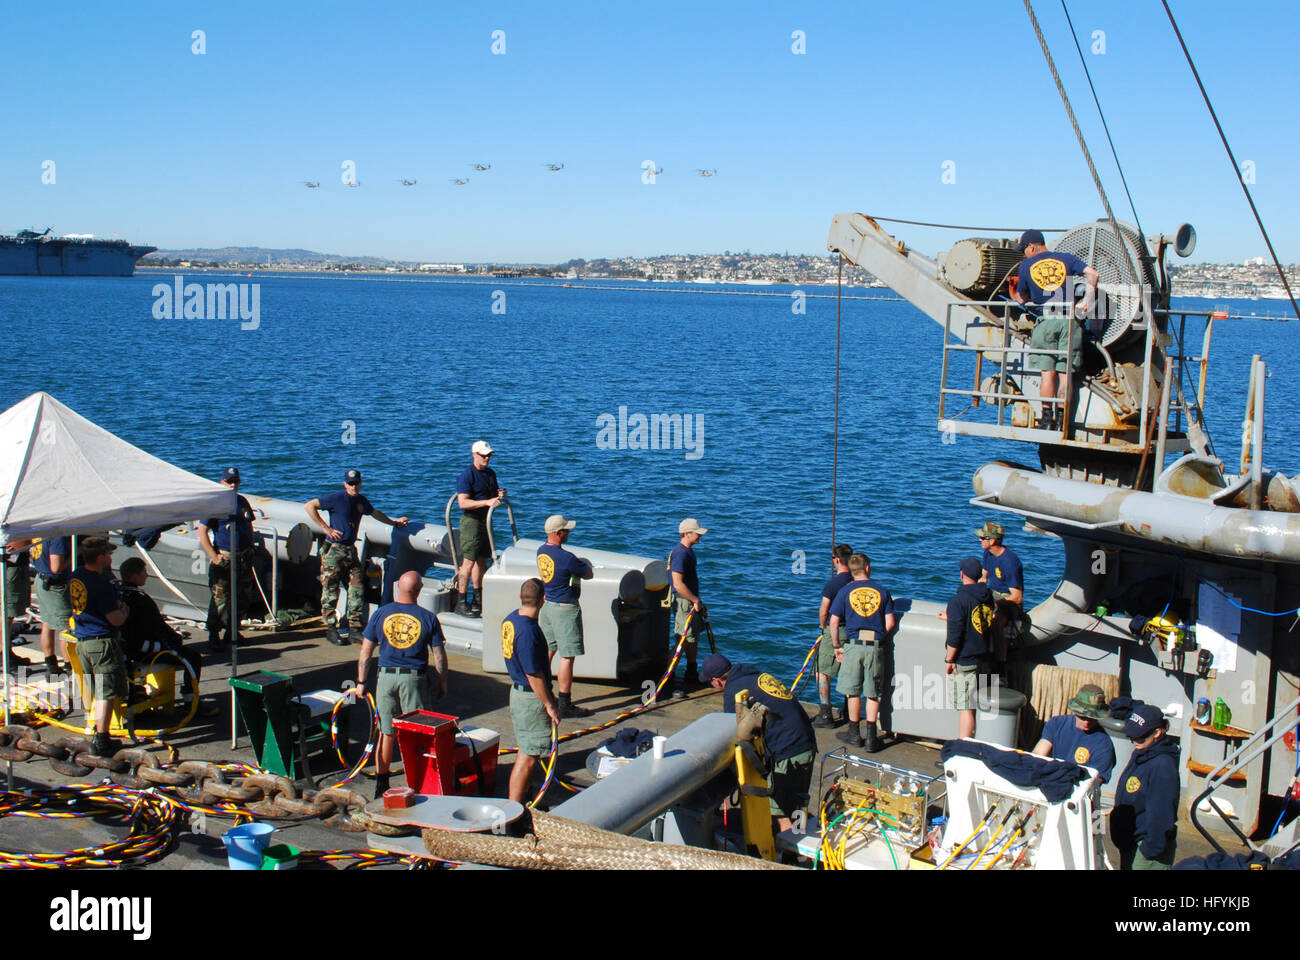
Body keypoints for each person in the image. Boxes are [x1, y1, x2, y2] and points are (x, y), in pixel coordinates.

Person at [355, 571, 448, 798]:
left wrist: (360, 682)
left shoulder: (380, 614)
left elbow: (365, 654)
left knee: (387, 733)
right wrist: (442, 680)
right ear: (418, 591)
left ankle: (381, 784)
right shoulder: (428, 618)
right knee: (417, 733)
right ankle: (417, 782)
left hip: (385, 677)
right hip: (413, 679)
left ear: (399, 589)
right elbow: (439, 657)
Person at [701, 653, 817, 834]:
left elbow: (737, 733)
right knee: (797, 803)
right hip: (805, 740)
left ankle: (780, 856)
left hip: (788, 750)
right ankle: (794, 851)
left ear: (717, 681)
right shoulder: (752, 675)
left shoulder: (734, 692)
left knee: (779, 814)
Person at [305, 469, 408, 646]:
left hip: (350, 550)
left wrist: (394, 522)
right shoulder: (336, 498)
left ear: (360, 483)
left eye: (356, 483)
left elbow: (375, 513)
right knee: (330, 590)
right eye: (350, 484)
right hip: (334, 551)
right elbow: (309, 506)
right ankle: (331, 628)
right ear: (345, 484)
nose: (354, 486)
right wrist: (326, 528)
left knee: (357, 589)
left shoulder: (361, 501)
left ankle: (355, 630)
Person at [1010, 229, 1100, 431]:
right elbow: (1093, 274)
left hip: (1047, 320)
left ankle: (1046, 419)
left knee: (1047, 373)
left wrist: (1016, 295)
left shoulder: (1026, 265)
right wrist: (1087, 300)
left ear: (1031, 247)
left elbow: (1022, 298)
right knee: (1065, 374)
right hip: (1070, 320)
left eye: (1024, 249)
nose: (1024, 254)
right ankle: (1061, 419)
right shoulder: (1065, 259)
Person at [116, 556, 216, 717]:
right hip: (143, 652)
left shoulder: (117, 595)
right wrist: (175, 639)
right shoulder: (140, 599)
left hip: (125, 652)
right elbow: (157, 626)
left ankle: (138, 692)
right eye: (144, 571)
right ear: (135, 575)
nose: (146, 575)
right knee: (193, 658)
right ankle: (191, 703)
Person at [67, 537, 130, 757]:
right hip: (102, 642)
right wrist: (123, 612)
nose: (111, 557)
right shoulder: (100, 584)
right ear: (101, 556)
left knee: (96, 689)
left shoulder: (76, 576)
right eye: (109, 554)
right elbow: (115, 620)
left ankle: (97, 730)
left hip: (83, 641)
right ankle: (102, 738)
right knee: (107, 692)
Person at [828, 553, 896, 752]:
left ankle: (854, 733)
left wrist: (836, 646)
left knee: (853, 691)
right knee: (873, 693)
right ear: (867, 568)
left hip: (852, 645)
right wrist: (879, 636)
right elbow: (890, 623)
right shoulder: (882, 591)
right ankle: (871, 738)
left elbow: (833, 622)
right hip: (874, 645)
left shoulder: (844, 591)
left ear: (851, 570)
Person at [503, 577, 561, 803]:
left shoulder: (510, 620)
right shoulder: (529, 632)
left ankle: (524, 796)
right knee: (528, 757)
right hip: (530, 698)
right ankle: (514, 810)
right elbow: (533, 675)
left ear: (521, 597)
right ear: (543, 599)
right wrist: (549, 705)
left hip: (518, 693)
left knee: (526, 749)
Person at [536, 515, 594, 719]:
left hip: (548, 605)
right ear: (558, 533)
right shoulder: (567, 558)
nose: (569, 533)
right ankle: (564, 702)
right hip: (565, 609)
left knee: (548, 650)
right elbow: (588, 574)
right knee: (567, 656)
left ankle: (540, 692)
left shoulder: (541, 551)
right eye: (566, 530)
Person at [1110, 702, 1180, 870]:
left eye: (1140, 737)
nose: (1134, 741)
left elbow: (1162, 813)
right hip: (1131, 843)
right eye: (1131, 737)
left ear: (1157, 732)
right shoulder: (1143, 752)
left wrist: (1149, 850)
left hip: (1147, 852)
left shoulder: (1162, 765)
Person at [196, 467, 258, 649]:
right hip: (225, 556)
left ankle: (232, 631)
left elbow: (249, 525)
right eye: (228, 481)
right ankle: (213, 634)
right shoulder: (215, 504)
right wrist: (213, 556)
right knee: (220, 598)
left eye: (235, 481)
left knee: (243, 595)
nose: (232, 485)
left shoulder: (241, 501)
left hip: (243, 556)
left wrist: (251, 546)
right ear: (222, 482)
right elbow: (202, 531)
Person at [941, 557, 994, 739]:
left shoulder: (958, 601)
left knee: (965, 708)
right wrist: (952, 616)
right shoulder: (988, 597)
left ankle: (964, 748)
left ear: (962, 574)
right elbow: (979, 620)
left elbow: (955, 637)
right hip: (984, 657)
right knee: (978, 704)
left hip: (965, 660)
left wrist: (949, 659)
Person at [455, 441, 505, 618]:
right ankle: (461, 601)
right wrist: (486, 502)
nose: (487, 458)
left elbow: (492, 495)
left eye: (489, 455)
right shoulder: (467, 475)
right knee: (468, 562)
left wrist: (499, 496)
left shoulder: (490, 474)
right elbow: (462, 503)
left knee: (482, 560)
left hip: (486, 521)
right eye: (483, 455)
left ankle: (478, 598)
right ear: (474, 455)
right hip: (472, 522)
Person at [1032, 684, 1116, 783]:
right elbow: (1038, 755)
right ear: (1075, 711)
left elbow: (1096, 781)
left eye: (1092, 718)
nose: (1087, 722)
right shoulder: (1057, 724)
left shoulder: (1104, 744)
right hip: (1050, 781)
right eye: (1082, 717)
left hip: (1078, 790)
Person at [813, 544, 854, 728]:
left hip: (835, 630)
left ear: (836, 560)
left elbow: (824, 610)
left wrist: (823, 627)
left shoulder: (833, 584)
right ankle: (848, 710)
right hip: (855, 632)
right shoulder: (858, 581)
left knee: (822, 671)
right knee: (849, 672)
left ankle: (826, 713)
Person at [668, 518, 709, 694]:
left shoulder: (688, 552)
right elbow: (678, 584)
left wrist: (698, 601)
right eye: (697, 533)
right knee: (682, 639)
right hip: (685, 601)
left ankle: (691, 672)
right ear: (687, 534)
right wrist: (694, 600)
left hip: (690, 600)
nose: (700, 536)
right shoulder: (681, 553)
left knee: (692, 637)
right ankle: (668, 677)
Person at [976, 520, 1024, 665]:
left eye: (983, 538)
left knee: (996, 621)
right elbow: (985, 574)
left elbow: (1017, 597)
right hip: (993, 593)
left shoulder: (1010, 562)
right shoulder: (988, 553)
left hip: (1008, 602)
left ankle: (1000, 664)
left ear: (992, 541)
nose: (980, 540)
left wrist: (996, 604)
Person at [30, 536, 72, 675]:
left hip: (41, 579)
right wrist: (76, 554)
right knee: (65, 628)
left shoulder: (41, 529)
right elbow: (56, 567)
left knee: (47, 623)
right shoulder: (57, 536)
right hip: (55, 585)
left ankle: (51, 665)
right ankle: (69, 668)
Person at [3, 539, 32, 650]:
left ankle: (7, 652)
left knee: (9, 615)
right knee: (7, 614)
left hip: (18, 563)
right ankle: (4, 654)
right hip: (10, 566)